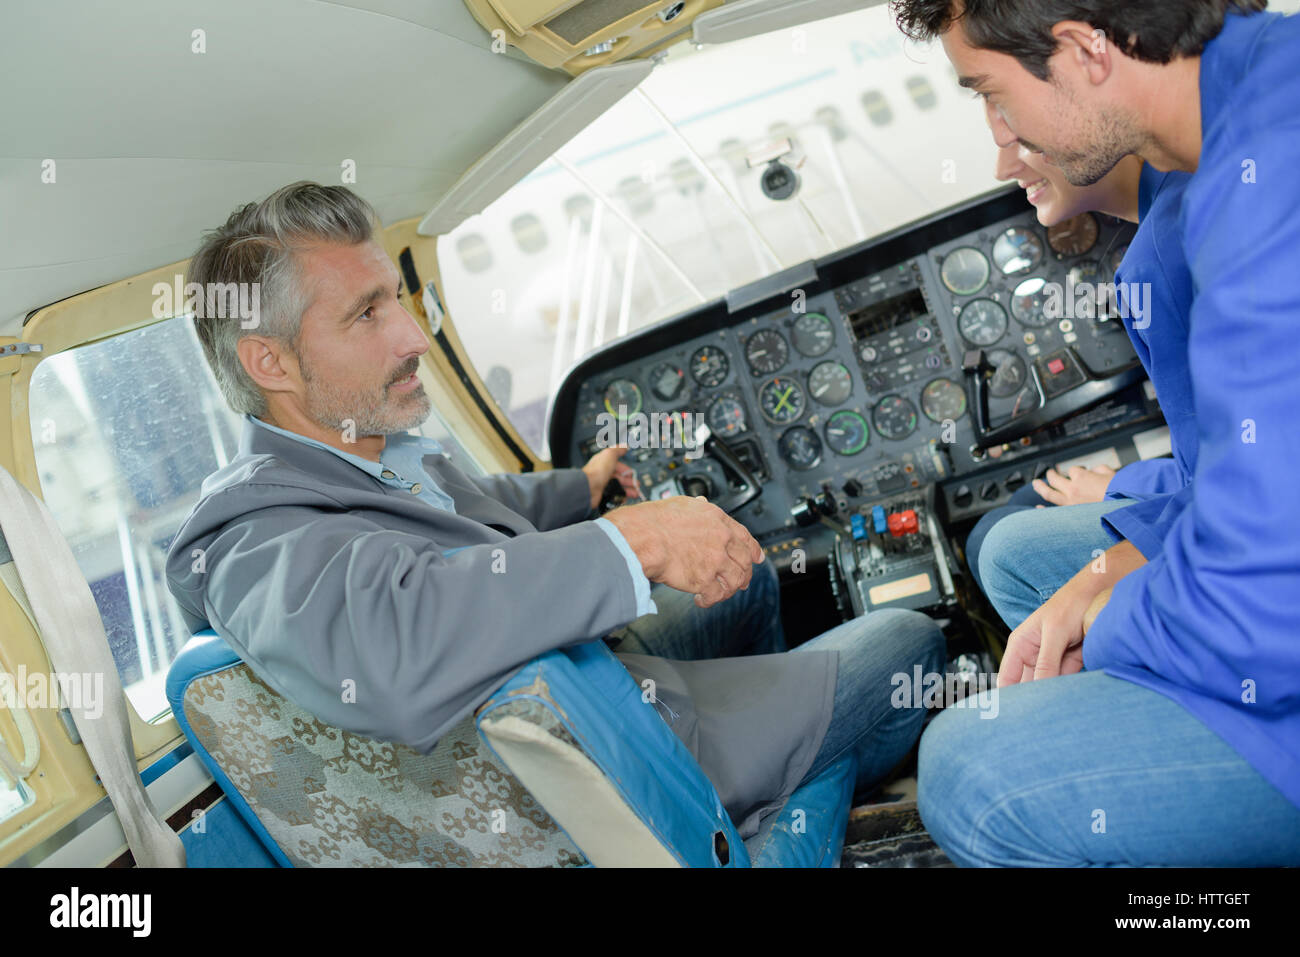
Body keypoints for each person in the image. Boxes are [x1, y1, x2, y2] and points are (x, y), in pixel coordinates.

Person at [163, 181, 946, 846]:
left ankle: (784, 738)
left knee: (744, 580)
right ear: (268, 362)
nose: (414, 338)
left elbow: (474, 512)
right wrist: (631, 542)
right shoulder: (248, 536)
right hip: (607, 772)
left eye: (398, 299)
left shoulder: (365, 451)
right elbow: (386, 645)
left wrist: (586, 487)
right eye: (367, 315)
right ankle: (756, 801)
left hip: (591, 689)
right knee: (912, 643)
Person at [890, 0, 1300, 865]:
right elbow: (1237, 473)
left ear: (1083, 51)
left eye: (993, 96)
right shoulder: (1253, 111)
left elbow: (1257, 608)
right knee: (1026, 564)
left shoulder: (1255, 194)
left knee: (971, 769)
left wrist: (1105, 626)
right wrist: (1123, 556)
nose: (1002, 146)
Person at [965, 133, 1195, 628]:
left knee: (999, 544)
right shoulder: (1184, 204)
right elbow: (1215, 466)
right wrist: (1122, 483)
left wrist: (1095, 597)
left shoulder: (1155, 262)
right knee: (1026, 507)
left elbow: (1222, 485)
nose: (1003, 166)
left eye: (1021, 136)